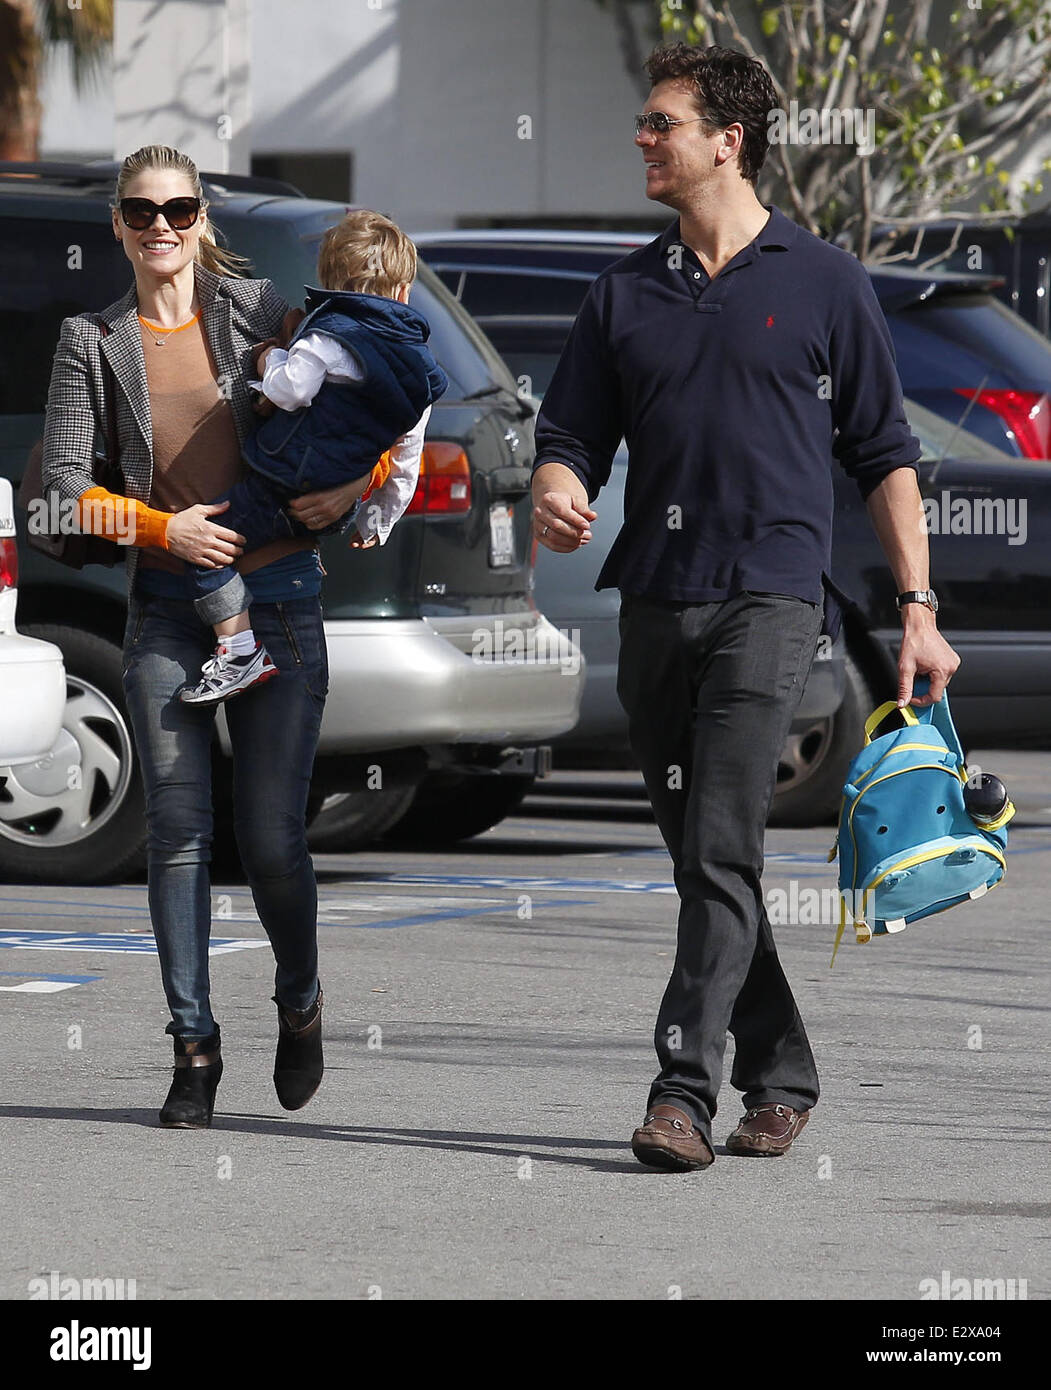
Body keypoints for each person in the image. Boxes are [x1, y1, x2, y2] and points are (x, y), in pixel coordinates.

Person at [531, 44, 961, 1171]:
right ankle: (783, 1071)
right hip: (654, 608)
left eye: (658, 122)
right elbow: (570, 435)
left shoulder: (822, 283)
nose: (641, 139)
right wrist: (559, 488)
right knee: (702, 861)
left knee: (722, 845)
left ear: (727, 139)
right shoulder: (624, 290)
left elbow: (884, 455)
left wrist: (917, 608)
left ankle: (681, 1091)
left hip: (770, 604)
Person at [42, 144, 371, 1127]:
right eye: (141, 212)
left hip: (282, 604)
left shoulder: (260, 308)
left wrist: (353, 488)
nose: (160, 227)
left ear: (200, 219)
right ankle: (193, 1049)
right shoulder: (90, 339)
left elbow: (378, 386)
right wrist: (159, 526)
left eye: (178, 209)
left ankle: (300, 1001)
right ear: (117, 224)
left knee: (272, 839)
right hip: (164, 613)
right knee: (177, 836)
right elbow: (57, 492)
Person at [179, 210, 447, 706]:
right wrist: (377, 519)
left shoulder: (331, 332)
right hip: (336, 506)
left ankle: (238, 653)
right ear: (405, 292)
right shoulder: (421, 366)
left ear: (330, 281)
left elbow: (289, 390)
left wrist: (265, 359)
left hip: (280, 481)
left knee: (207, 546)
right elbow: (407, 455)